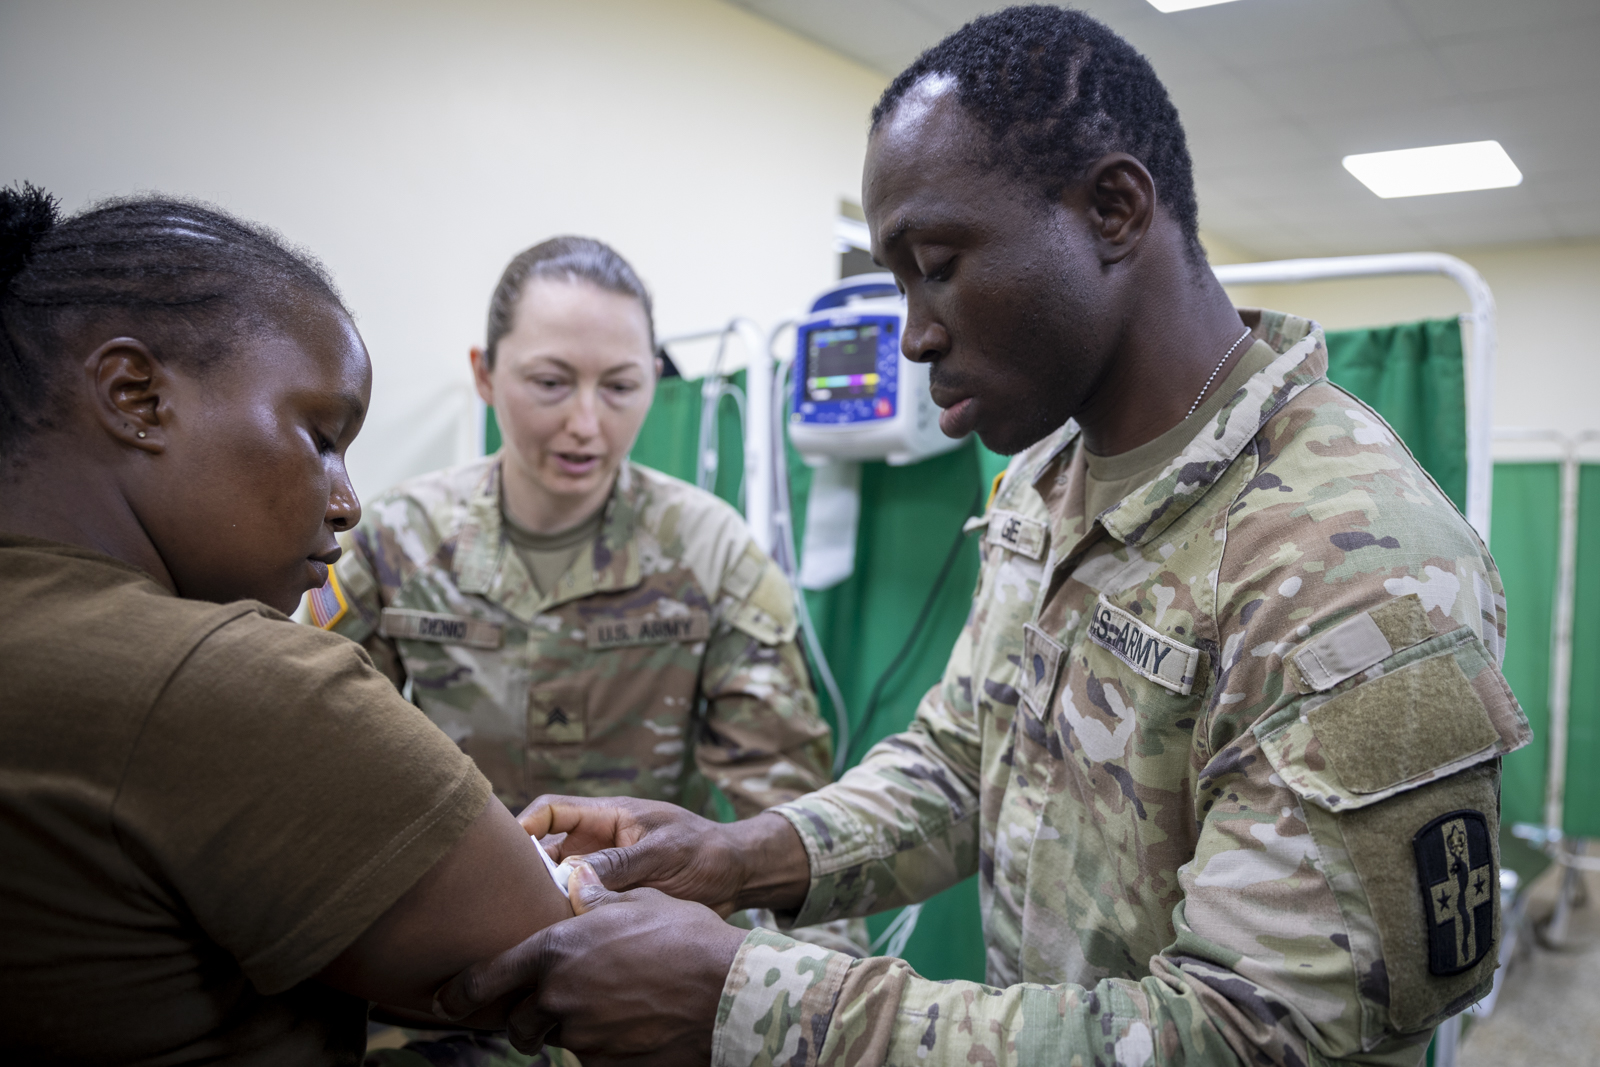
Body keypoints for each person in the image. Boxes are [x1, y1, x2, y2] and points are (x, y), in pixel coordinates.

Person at [426, 8, 1533, 1067]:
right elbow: (965, 760)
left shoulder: (1356, 572)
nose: (913, 332)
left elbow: (1257, 1032)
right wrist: (737, 855)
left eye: (937, 262)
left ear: (1111, 211)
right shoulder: (1049, 479)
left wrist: (742, 999)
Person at [0, 185, 575, 1064]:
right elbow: (559, 956)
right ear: (136, 396)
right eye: (322, 435)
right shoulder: (228, 681)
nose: (347, 501)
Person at [310, 238, 859, 1062]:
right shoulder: (397, 538)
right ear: (486, 374)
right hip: (447, 972)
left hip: (641, 976)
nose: (585, 424)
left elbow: (780, 812)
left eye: (622, 386)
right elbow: (329, 764)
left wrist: (805, 1022)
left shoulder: (710, 552)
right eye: (550, 382)